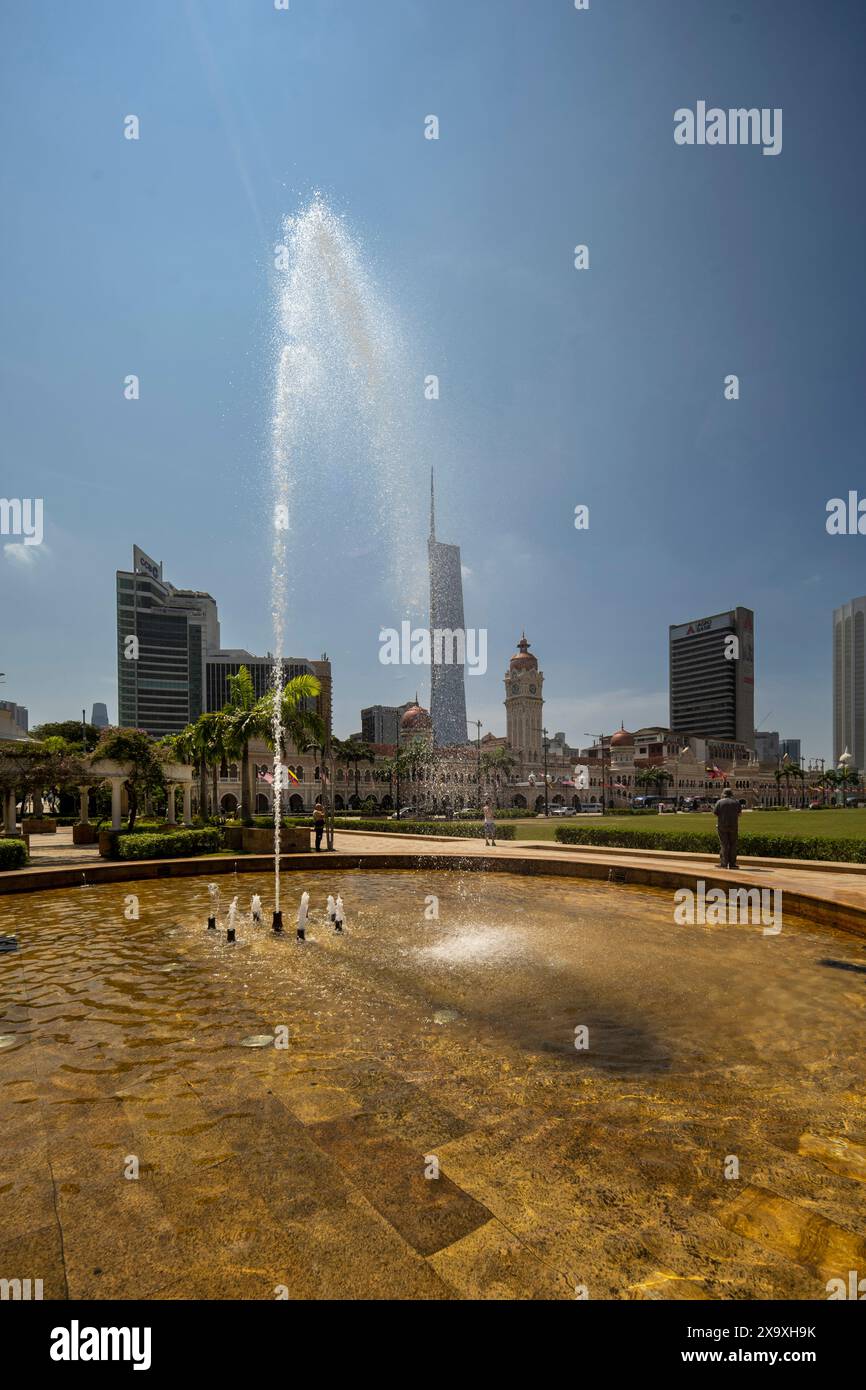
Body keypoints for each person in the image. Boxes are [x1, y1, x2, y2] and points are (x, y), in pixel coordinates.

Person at [713, 787, 741, 868]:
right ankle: (732, 864)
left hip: (722, 826)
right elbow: (739, 814)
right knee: (733, 845)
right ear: (731, 794)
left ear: (723, 794)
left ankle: (724, 864)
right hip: (733, 826)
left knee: (724, 844)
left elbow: (715, 813)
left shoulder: (719, 802)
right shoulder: (736, 802)